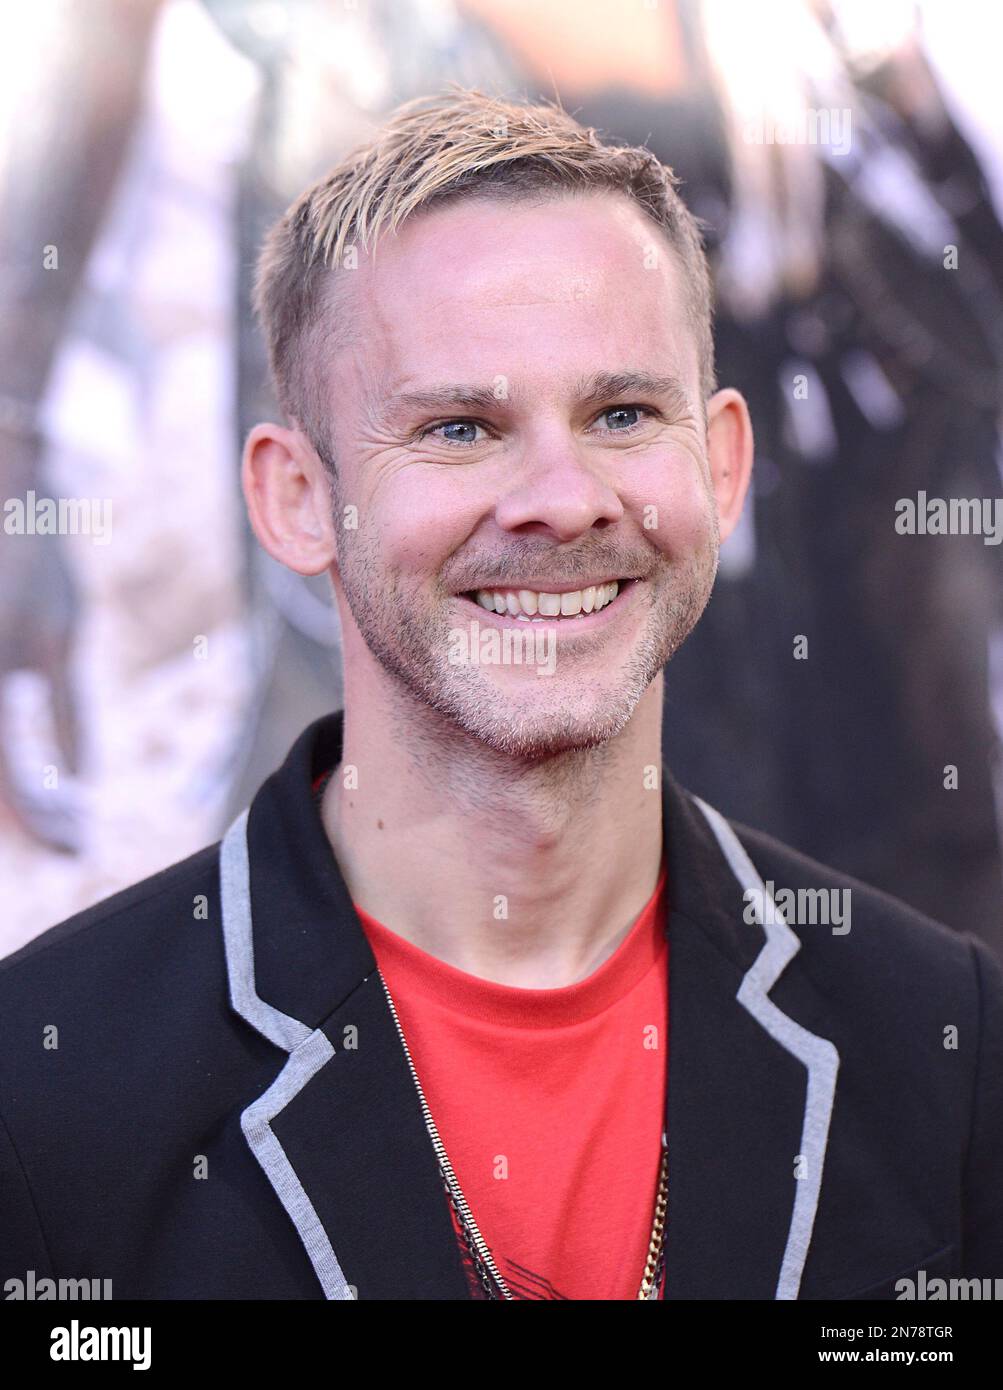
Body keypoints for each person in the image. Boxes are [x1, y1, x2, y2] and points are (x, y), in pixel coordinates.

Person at [2, 86, 1000, 1302]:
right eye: (462, 428)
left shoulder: (950, 1052)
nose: (561, 496)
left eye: (622, 413)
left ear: (722, 464)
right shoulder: (44, 1088)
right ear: (296, 498)